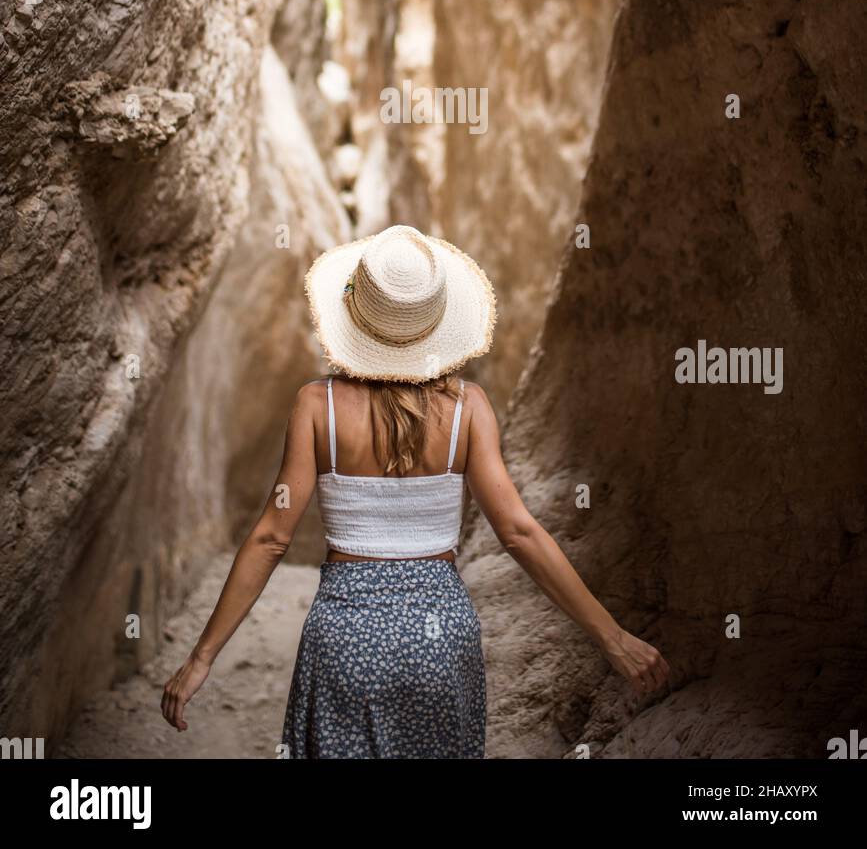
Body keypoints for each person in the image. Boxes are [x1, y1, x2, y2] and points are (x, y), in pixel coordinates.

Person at [161, 224, 670, 757]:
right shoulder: (469, 409)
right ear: (436, 326)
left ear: (353, 318)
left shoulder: (319, 407)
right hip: (441, 644)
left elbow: (270, 539)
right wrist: (613, 638)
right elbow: (518, 532)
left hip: (345, 641)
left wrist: (201, 658)